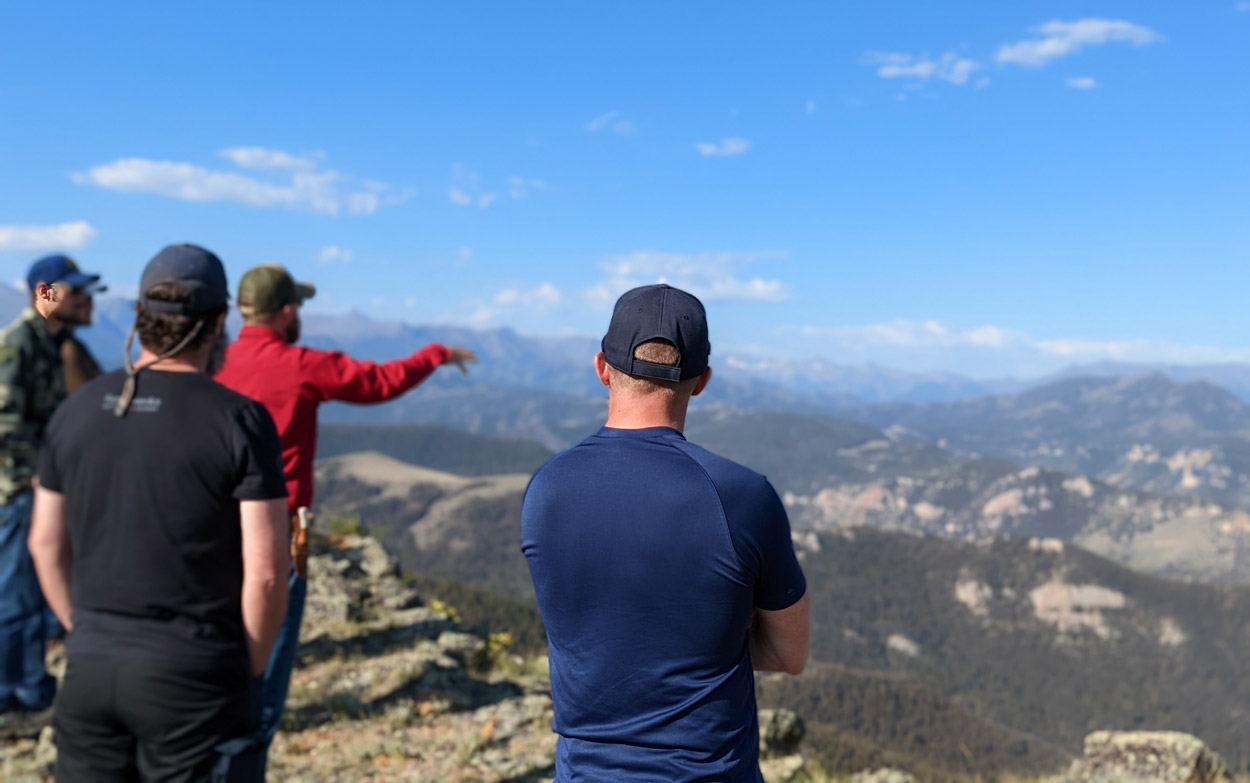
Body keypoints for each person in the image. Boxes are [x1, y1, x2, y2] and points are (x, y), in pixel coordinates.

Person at [522, 284, 811, 783]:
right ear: (701, 381)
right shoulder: (741, 496)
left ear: (601, 368)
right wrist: (718, 638)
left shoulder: (546, 490)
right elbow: (790, 654)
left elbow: (586, 636)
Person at [27, 244, 291, 781]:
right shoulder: (240, 421)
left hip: (89, 670)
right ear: (219, 323)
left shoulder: (74, 411)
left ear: (139, 317)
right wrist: (252, 668)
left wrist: (83, 630)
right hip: (193, 675)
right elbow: (266, 574)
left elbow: (45, 544)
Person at [214, 263, 477, 750]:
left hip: (212, 531)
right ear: (287, 311)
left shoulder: (214, 363)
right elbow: (379, 382)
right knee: (266, 669)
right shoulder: (300, 365)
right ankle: (247, 759)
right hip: (278, 532)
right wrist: (434, 354)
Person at [0, 254, 103, 733]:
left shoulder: (54, 344)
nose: (85, 300)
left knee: (33, 590)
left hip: (39, 489)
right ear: (45, 293)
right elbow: (6, 425)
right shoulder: (18, 346)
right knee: (16, 592)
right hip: (18, 491)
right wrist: (43, 475)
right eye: (74, 291)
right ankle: (15, 695)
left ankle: (29, 685)